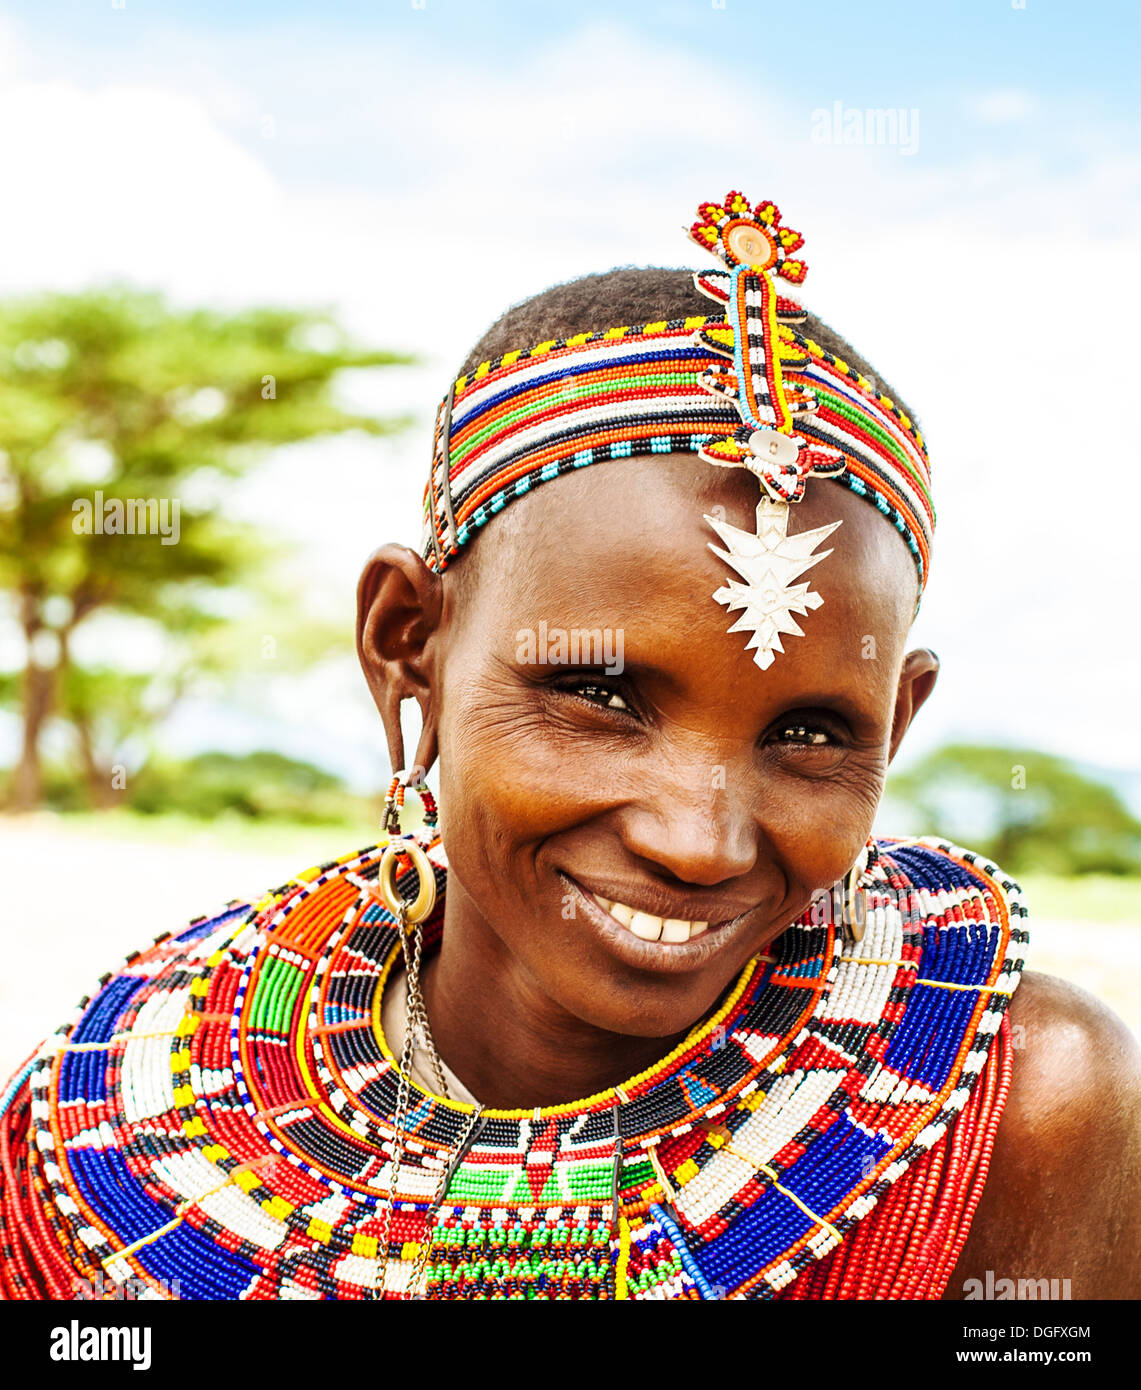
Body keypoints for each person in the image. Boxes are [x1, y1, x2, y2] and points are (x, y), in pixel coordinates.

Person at [2, 191, 1138, 1302]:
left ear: (894, 725)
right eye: (600, 694)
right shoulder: (104, 1128)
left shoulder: (1020, 1103)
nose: (699, 840)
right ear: (410, 647)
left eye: (808, 731)